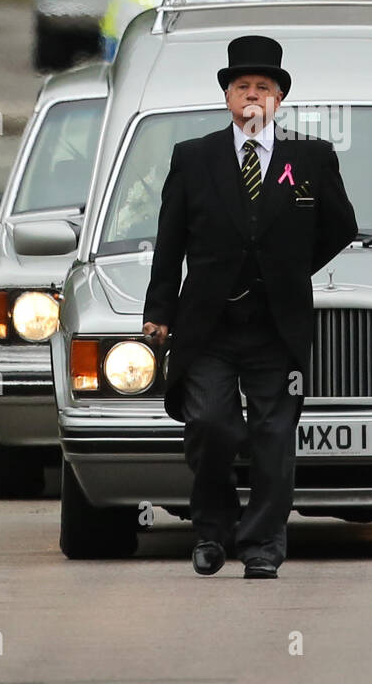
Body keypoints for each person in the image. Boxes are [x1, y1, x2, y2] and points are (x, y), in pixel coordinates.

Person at [142, 34, 358, 579]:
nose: (253, 96)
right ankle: (212, 532)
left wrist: (289, 270)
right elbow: (169, 243)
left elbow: (341, 226)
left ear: (280, 100)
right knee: (212, 424)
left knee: (273, 437)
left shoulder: (309, 158)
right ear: (228, 98)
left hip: (275, 328)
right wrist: (159, 309)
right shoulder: (193, 159)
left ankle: (262, 543)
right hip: (208, 327)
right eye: (243, 87)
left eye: (264, 87)